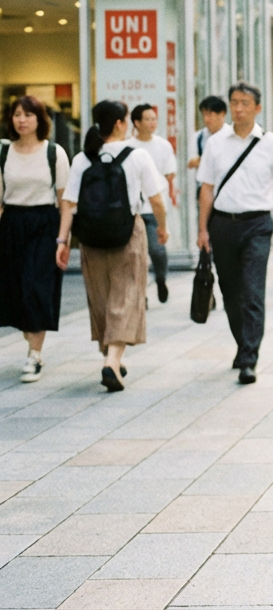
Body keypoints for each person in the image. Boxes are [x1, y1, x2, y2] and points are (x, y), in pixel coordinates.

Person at [55, 100, 168, 392]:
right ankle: (113, 361)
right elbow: (156, 199)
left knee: (101, 298)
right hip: (127, 233)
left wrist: (62, 240)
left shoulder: (83, 159)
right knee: (126, 296)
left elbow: (68, 203)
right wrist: (163, 227)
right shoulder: (137, 156)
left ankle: (111, 357)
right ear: (120, 123)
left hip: (91, 237)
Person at [198, 82, 273, 385]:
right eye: (234, 102)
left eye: (245, 103)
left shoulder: (272, 143)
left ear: (257, 108)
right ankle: (242, 342)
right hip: (222, 224)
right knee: (230, 291)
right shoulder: (215, 143)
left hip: (257, 225)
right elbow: (207, 188)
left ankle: (249, 358)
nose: (239, 108)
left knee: (253, 290)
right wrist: (202, 229)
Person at [0, 96, 70, 384]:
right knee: (16, 289)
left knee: (36, 286)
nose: (22, 120)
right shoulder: (4, 152)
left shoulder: (54, 153)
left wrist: (63, 239)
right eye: (17, 114)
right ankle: (32, 338)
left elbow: (65, 201)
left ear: (40, 120)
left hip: (45, 224)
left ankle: (35, 354)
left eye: (28, 115)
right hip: (12, 224)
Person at [130, 104, 179, 303]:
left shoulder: (163, 146)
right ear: (137, 123)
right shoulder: (128, 147)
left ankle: (160, 279)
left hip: (154, 207)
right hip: (134, 209)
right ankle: (141, 294)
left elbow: (170, 173)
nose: (152, 123)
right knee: (136, 255)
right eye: (148, 119)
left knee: (157, 251)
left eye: (154, 119)